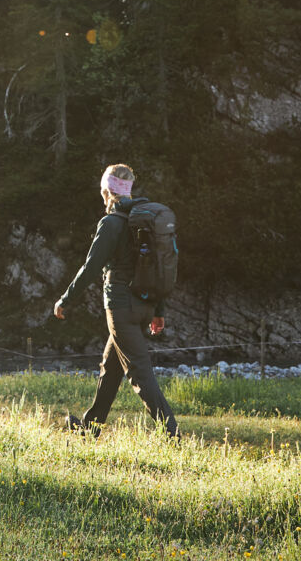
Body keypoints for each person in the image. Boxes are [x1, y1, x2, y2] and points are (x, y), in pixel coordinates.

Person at [52, 163, 180, 438]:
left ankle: (172, 436)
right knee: (111, 367)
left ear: (107, 191)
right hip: (144, 306)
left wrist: (66, 299)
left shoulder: (110, 223)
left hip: (121, 307)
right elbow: (157, 267)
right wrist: (158, 310)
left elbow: (90, 266)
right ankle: (90, 426)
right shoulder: (143, 223)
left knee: (139, 374)